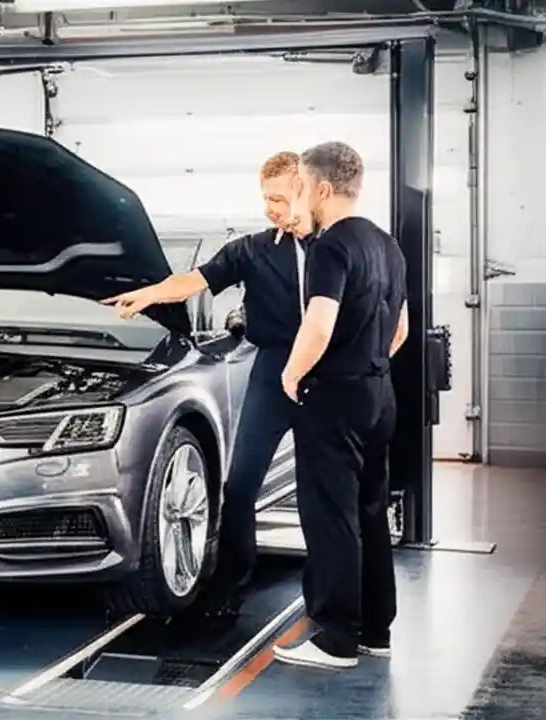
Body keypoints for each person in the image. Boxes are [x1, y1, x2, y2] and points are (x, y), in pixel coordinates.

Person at [101, 151, 315, 620]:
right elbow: (194, 281)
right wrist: (148, 295)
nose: (270, 209)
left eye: (278, 198)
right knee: (239, 489)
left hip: (325, 374)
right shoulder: (253, 249)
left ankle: (328, 595)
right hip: (270, 372)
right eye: (265, 199)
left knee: (325, 491)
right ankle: (230, 585)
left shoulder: (335, 246)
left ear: (305, 191)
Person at [270, 141, 409, 670]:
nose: (300, 195)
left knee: (330, 515)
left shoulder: (331, 247)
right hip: (379, 394)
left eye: (301, 186)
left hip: (335, 398)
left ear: (323, 189)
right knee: (370, 512)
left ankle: (335, 638)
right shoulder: (388, 246)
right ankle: (376, 629)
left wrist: (292, 373)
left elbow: (319, 324)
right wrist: (368, 360)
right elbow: (400, 328)